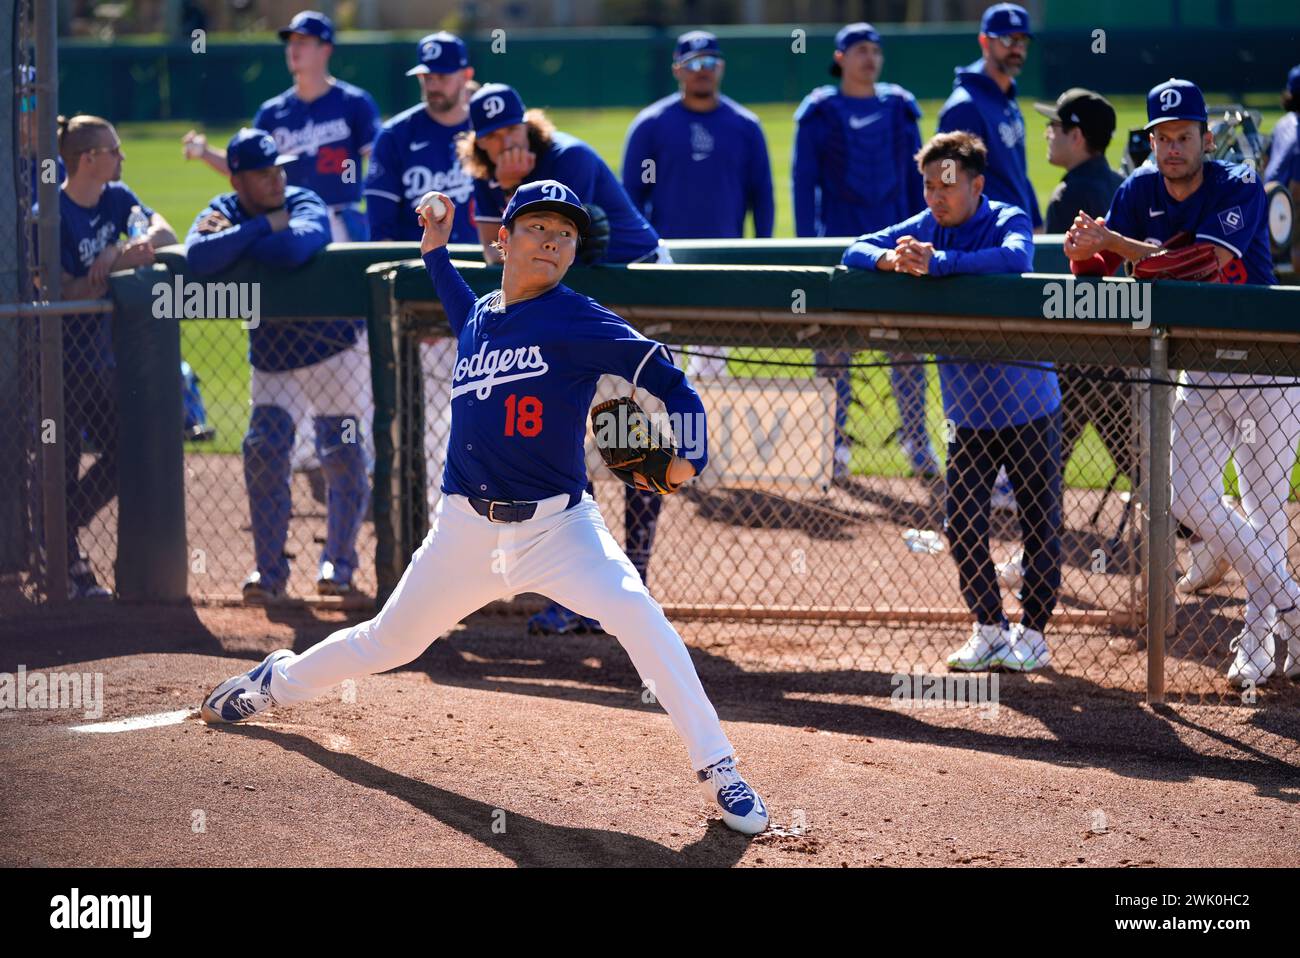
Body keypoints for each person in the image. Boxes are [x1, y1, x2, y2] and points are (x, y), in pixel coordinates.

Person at [199, 179, 770, 837]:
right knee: (388, 641)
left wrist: (687, 460)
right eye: (538, 229)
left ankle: (719, 767)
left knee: (640, 615)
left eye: (565, 234)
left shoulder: (577, 317)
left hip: (560, 527)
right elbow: (459, 304)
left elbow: (669, 380)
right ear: (504, 241)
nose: (552, 242)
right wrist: (436, 250)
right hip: (464, 532)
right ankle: (277, 682)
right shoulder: (481, 314)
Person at [1065, 78, 1300, 686]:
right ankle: (1294, 609)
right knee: (1185, 495)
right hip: (1198, 365)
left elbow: (1202, 263)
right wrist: (1082, 247)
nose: (1172, 149)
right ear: (1150, 140)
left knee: (1265, 509)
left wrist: (1113, 241)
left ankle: (1260, 646)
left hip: (1265, 367)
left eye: (1183, 137)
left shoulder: (1239, 183)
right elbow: (1097, 267)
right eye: (1162, 138)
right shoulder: (1137, 188)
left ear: (1206, 137)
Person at [842, 131, 1061, 674]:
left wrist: (938, 262)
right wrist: (895, 262)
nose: (935, 197)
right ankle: (989, 627)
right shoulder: (924, 228)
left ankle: (1033, 633)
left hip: (1030, 404)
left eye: (947, 185)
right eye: (927, 185)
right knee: (961, 525)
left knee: (1040, 524)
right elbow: (852, 250)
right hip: (968, 413)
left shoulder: (1006, 217)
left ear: (976, 185)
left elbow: (1013, 261)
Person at [458, 82, 668, 635]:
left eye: (513, 129)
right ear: (479, 142)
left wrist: (512, 188)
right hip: (571, 314)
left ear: (530, 125)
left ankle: (633, 584)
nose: (506, 141)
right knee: (567, 444)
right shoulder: (490, 182)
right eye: (493, 135)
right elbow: (501, 259)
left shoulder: (568, 158)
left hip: (638, 292)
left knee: (630, 440)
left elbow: (566, 246)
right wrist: (506, 187)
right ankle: (579, 593)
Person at [184, 129, 370, 602]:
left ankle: (339, 564)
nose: (276, 179)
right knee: (265, 450)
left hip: (335, 351)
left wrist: (243, 245)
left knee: (342, 455)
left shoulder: (304, 198)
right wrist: (262, 228)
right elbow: (199, 256)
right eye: (264, 172)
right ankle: (268, 571)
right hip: (272, 357)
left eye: (279, 169)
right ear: (237, 179)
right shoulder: (223, 209)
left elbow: (295, 249)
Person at [993, 89, 1129, 591]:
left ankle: (1033, 560)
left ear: (1077, 136)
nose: (1047, 135)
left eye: (1055, 128)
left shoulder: (1068, 195)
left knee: (1040, 465)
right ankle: (1212, 542)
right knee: (1143, 463)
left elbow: (1060, 286)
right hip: (1120, 348)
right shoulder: (1121, 183)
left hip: (1075, 353)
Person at [792, 22, 934, 480]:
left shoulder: (899, 107)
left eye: (875, 49)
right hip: (840, 248)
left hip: (897, 249)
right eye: (859, 50)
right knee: (834, 351)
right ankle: (831, 448)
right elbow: (803, 184)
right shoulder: (819, 111)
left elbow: (921, 181)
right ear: (839, 58)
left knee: (907, 347)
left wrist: (923, 237)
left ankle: (918, 443)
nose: (869, 58)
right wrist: (808, 247)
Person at [48, 114, 178, 598]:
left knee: (126, 448)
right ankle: (64, 560)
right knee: (61, 459)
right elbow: (61, 290)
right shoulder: (54, 211)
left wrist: (124, 247)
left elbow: (163, 231)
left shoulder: (117, 200)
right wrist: (110, 264)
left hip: (103, 357)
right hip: (59, 360)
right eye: (114, 150)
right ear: (88, 159)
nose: (123, 157)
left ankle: (58, 534)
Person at [364, 32, 477, 517]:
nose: (433, 84)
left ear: (466, 76)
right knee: (437, 430)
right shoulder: (396, 136)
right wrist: (418, 297)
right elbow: (381, 232)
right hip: (431, 303)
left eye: (442, 75)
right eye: (425, 76)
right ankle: (444, 533)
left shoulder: (489, 130)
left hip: (494, 299)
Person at [181, 10, 381, 243]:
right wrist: (205, 152)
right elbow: (246, 169)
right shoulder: (272, 112)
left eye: (303, 42)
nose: (293, 49)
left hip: (341, 219)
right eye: (290, 42)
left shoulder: (355, 103)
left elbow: (380, 160)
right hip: (289, 218)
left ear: (325, 49)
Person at [1263, 64, 1300, 275]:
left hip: (1270, 194)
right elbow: (1296, 188)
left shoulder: (1283, 122)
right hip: (1285, 200)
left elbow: (1266, 160)